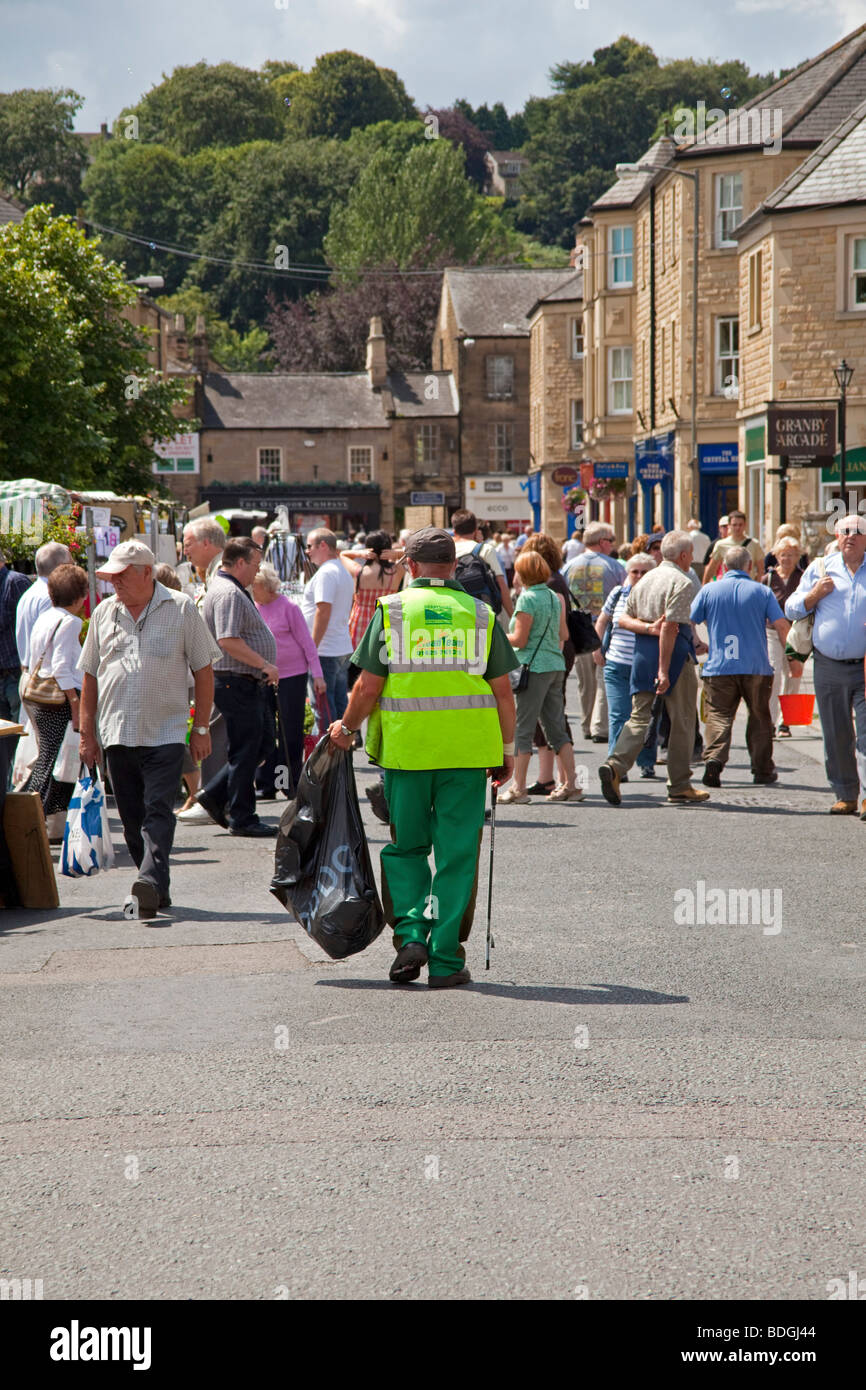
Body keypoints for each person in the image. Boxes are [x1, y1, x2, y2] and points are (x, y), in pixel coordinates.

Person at [328, 526, 518, 989]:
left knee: (406, 848)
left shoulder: (391, 611)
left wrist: (345, 729)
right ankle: (447, 959)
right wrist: (507, 751)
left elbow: (367, 687)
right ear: (454, 566)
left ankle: (411, 934)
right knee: (456, 856)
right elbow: (504, 694)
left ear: (410, 567)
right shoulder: (480, 614)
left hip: (407, 753)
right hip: (469, 754)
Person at [79, 541, 221, 917]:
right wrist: (86, 734)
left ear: (146, 572)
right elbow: (90, 676)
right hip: (117, 732)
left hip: (166, 731)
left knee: (158, 808)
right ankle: (156, 887)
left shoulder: (181, 607)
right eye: (110, 578)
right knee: (131, 819)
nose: (115, 585)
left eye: (121, 576)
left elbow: (204, 669)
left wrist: (202, 728)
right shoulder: (104, 613)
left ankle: (147, 881)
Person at [598, 530, 709, 806]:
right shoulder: (683, 582)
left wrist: (647, 628)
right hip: (671, 657)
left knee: (638, 717)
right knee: (682, 721)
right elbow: (670, 628)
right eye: (691, 554)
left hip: (641, 656)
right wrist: (663, 670)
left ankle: (615, 765)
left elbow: (622, 619)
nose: (692, 559)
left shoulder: (645, 579)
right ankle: (680, 784)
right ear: (683, 556)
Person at [196, 537, 279, 837]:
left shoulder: (231, 589)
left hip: (241, 681)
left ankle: (215, 795)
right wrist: (264, 664)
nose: (257, 572)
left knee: (261, 744)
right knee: (247, 749)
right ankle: (242, 816)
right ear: (240, 562)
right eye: (255, 565)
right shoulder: (229, 592)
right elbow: (228, 640)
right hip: (236, 680)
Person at [785, 514, 866, 816]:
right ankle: (845, 794)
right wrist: (815, 594)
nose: (851, 537)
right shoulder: (821, 569)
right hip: (829, 664)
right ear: (836, 535)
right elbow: (791, 607)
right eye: (845, 531)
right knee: (836, 731)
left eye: (858, 532)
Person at [689, 548, 790, 787]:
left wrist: (696, 643)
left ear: (723, 566)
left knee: (718, 716)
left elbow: (688, 620)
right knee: (759, 717)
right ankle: (762, 770)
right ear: (748, 566)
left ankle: (714, 758)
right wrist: (792, 657)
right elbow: (781, 625)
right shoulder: (762, 591)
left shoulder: (709, 590)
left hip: (720, 665)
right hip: (755, 665)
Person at [499, 550, 581, 803]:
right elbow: (564, 634)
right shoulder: (554, 597)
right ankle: (570, 785)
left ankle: (518, 789)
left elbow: (520, 640)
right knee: (556, 729)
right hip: (554, 664)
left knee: (523, 729)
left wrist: (499, 635)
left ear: (522, 574)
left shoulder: (527, 599)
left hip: (532, 668)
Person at [20, 563, 87, 824]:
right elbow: (60, 666)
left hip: (38, 696)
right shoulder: (69, 622)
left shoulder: (46, 617)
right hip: (58, 699)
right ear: (81, 596)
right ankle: (31, 814)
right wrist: (75, 702)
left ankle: (34, 813)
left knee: (49, 758)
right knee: (56, 762)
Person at [252, 561, 326, 797]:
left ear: (266, 586)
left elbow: (307, 643)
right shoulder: (254, 606)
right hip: (264, 676)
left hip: (292, 676)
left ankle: (287, 782)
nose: (252, 591)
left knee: (289, 733)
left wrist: (318, 675)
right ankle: (266, 783)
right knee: (265, 731)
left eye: (255, 586)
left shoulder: (288, 607)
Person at [520, 532, 576, 795]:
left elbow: (523, 637)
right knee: (553, 722)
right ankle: (560, 781)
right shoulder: (556, 586)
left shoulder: (536, 593)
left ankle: (528, 785)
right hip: (555, 659)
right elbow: (563, 633)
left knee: (534, 723)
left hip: (539, 661)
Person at [594, 552, 658, 779]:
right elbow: (602, 620)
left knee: (644, 717)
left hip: (645, 666)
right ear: (628, 573)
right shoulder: (618, 593)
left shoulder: (656, 595)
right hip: (616, 664)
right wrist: (596, 648)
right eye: (635, 571)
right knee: (619, 715)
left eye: (644, 572)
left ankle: (646, 762)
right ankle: (615, 766)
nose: (639, 575)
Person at [563, 521, 626, 742]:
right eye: (611, 541)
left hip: (578, 630)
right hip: (606, 630)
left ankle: (586, 723)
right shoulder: (615, 567)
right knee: (603, 678)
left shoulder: (569, 566)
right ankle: (600, 726)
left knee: (584, 682)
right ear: (602, 542)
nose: (612, 545)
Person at [299, 529, 354, 722]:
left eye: (309, 546)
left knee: (324, 711)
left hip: (326, 651)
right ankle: (341, 751)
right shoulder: (339, 570)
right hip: (337, 647)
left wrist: (311, 649)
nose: (307, 551)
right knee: (338, 707)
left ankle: (329, 751)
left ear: (323, 545)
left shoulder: (327, 573)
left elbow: (323, 611)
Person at [761, 537, 804, 736]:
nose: (787, 558)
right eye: (783, 554)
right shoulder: (768, 579)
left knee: (794, 674)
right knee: (774, 673)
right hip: (772, 632)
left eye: (791, 555)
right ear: (776, 556)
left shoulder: (803, 577)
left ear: (797, 557)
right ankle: (770, 720)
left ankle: (786, 722)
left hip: (796, 633)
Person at [15, 541, 72, 685]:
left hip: (31, 675)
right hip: (46, 681)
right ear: (61, 567)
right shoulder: (50, 596)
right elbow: (53, 646)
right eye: (72, 565)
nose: (74, 570)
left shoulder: (30, 593)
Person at [451, 509, 513, 620]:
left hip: (456, 614)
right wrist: (511, 616)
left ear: (454, 531)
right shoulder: (485, 549)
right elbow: (501, 585)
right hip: (483, 616)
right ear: (475, 530)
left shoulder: (449, 550)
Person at [0, 545, 32, 757]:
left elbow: (29, 627)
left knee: (19, 742)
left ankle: (16, 788)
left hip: (14, 674)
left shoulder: (15, 582)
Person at [702, 510, 764, 584]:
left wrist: (757, 584)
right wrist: (705, 586)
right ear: (729, 526)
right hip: (727, 586)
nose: (737, 528)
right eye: (734, 525)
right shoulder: (721, 544)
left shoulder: (754, 544)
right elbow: (711, 569)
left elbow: (761, 569)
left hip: (747, 586)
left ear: (745, 525)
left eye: (740, 525)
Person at [178, 518, 226, 599]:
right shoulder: (216, 570)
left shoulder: (223, 571)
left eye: (188, 545)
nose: (185, 552)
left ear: (205, 544)